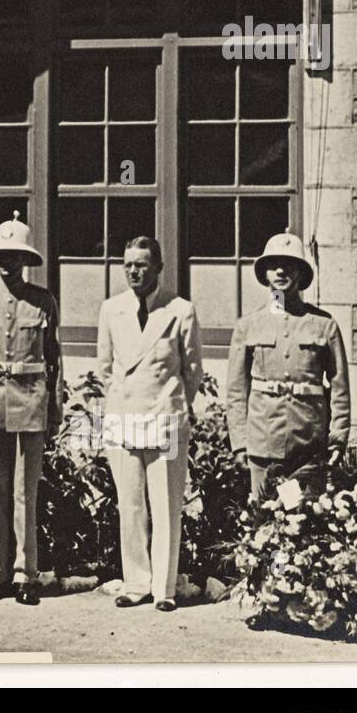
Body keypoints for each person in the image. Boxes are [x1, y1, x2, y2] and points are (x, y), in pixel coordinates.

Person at [96, 235, 202, 612]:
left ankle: (164, 588)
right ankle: (136, 582)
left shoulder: (180, 310)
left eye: (141, 264)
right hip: (124, 421)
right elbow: (105, 370)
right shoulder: (112, 310)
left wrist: (171, 408)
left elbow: (192, 373)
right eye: (127, 265)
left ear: (157, 267)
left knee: (167, 504)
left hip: (166, 422)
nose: (133, 272)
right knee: (131, 505)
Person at [0, 213, 61, 605]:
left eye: (15, 255)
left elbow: (54, 358)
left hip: (30, 403)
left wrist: (53, 409)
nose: (7, 262)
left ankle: (25, 574)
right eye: (1, 254)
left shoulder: (42, 301)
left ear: (25, 259)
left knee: (24, 491)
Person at [226, 231, 350, 503]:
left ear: (301, 273)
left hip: (307, 442)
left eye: (289, 264)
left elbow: (340, 386)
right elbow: (236, 391)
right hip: (263, 442)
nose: (281, 270)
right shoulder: (248, 326)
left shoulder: (323, 325)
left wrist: (337, 437)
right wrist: (240, 444)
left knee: (306, 528)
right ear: (265, 273)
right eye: (273, 264)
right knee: (263, 527)